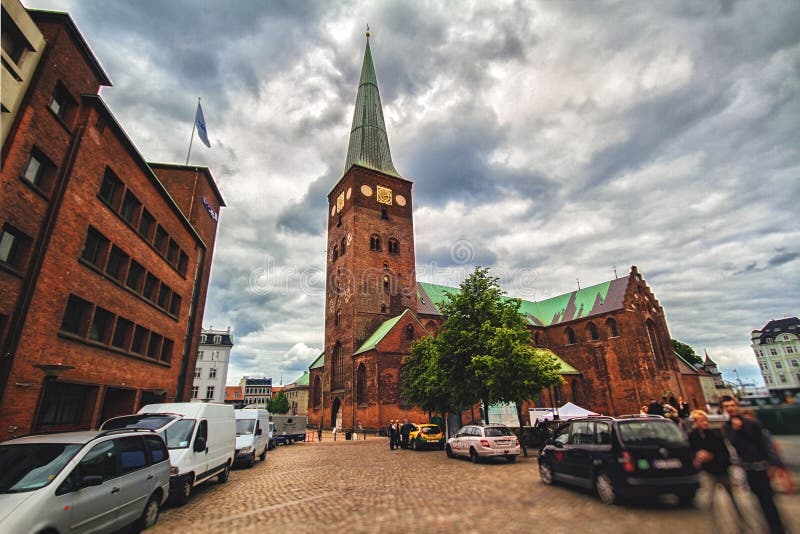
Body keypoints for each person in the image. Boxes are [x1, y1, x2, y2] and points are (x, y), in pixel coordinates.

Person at [721, 396, 787, 534]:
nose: (730, 408)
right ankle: (765, 527)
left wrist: (773, 464)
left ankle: (778, 529)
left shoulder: (752, 423)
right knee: (756, 500)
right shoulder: (727, 427)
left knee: (768, 500)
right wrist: (736, 429)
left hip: (762, 466)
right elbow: (733, 444)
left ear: (737, 406)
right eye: (727, 406)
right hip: (747, 468)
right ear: (723, 409)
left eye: (732, 405)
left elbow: (764, 444)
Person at [688, 410, 743, 526]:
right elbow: (690, 452)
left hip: (722, 470)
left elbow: (725, 453)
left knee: (733, 498)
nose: (705, 423)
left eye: (705, 420)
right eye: (702, 421)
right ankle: (712, 525)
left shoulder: (715, 434)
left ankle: (741, 523)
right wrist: (697, 457)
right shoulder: (692, 436)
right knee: (709, 500)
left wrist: (712, 456)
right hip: (707, 471)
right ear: (695, 422)